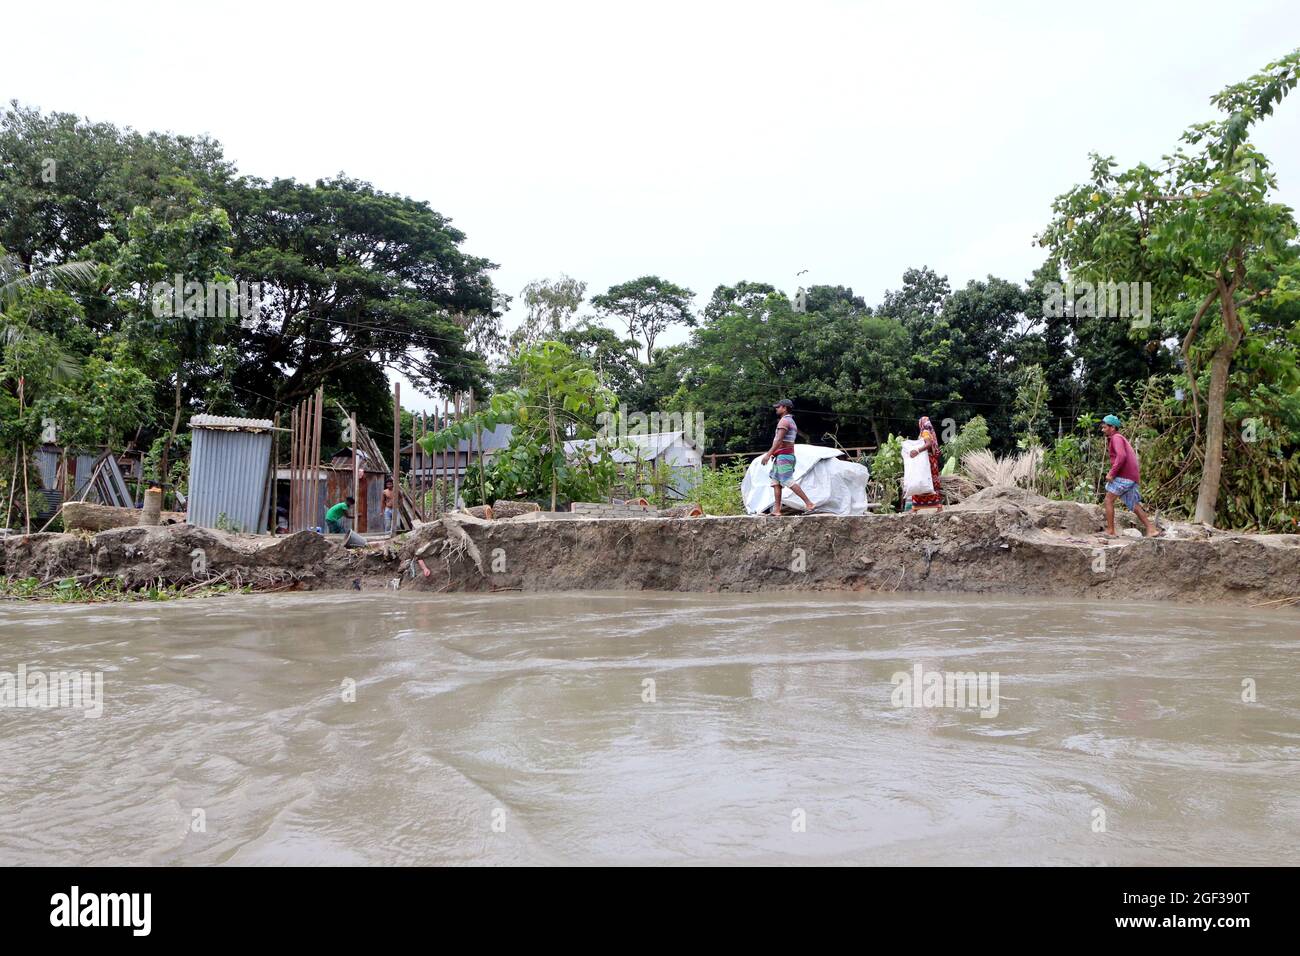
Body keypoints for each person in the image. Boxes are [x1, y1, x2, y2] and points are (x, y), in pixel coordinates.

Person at [1100, 414, 1159, 537]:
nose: (1103, 429)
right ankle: (1151, 529)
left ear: (1112, 428)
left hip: (1124, 477)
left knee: (1108, 500)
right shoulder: (1119, 438)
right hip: (1131, 477)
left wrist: (1111, 473)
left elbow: (1121, 456)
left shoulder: (1116, 438)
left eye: (1105, 427)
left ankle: (1110, 531)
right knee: (1134, 505)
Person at [760, 398, 818, 515]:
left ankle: (809, 503)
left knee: (787, 480)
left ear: (785, 408)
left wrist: (768, 454)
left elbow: (779, 440)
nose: (776, 408)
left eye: (779, 406)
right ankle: (777, 510)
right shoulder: (790, 421)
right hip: (782, 456)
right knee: (776, 482)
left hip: (784, 457)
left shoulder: (784, 422)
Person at [907, 416, 944, 509]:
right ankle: (937, 505)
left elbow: (928, 444)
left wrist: (917, 451)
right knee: (931, 483)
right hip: (933, 461)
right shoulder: (931, 433)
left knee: (921, 481)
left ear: (921, 424)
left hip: (928, 463)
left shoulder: (925, 432)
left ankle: (916, 507)